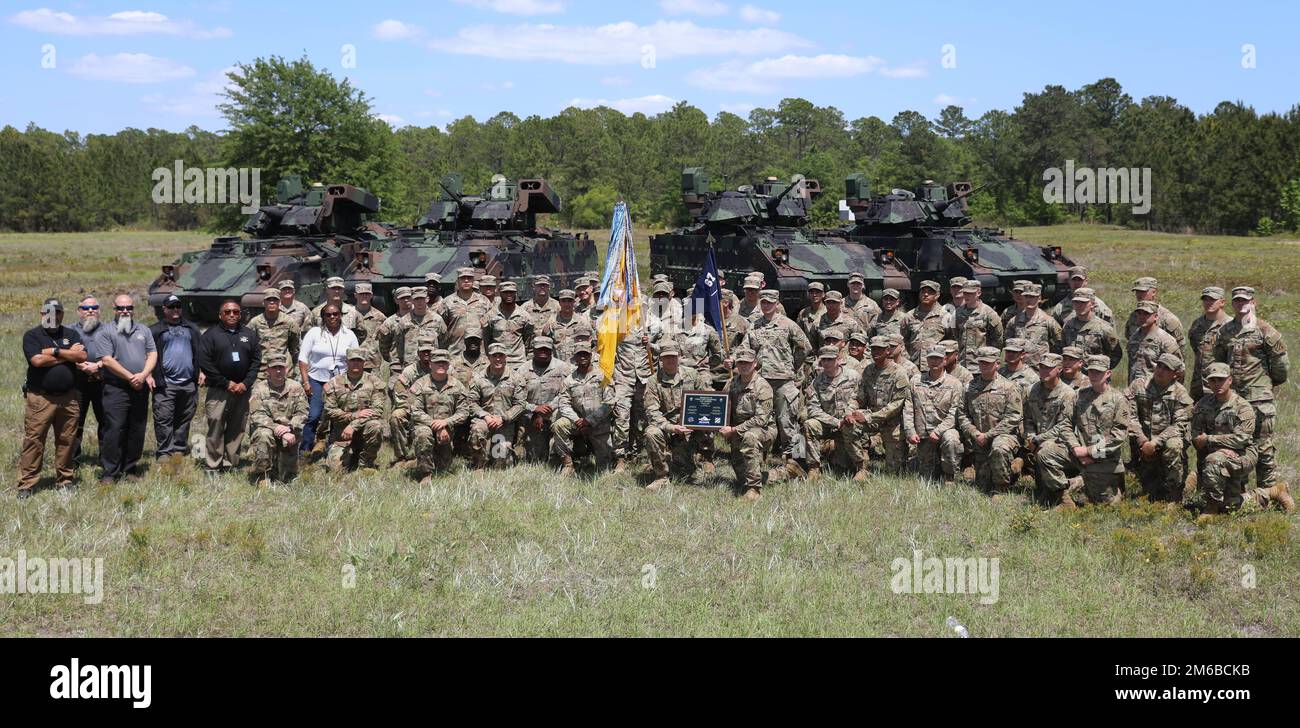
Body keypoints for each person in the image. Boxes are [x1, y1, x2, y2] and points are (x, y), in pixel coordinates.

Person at [1213, 285, 1290, 492]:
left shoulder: (1266, 331)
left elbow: (1281, 367)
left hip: (1259, 399)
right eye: (1237, 300)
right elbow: (1219, 362)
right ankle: (1238, 493)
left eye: (1245, 300)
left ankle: (1270, 492)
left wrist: (1265, 385)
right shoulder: (1225, 331)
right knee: (1236, 445)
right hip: (1233, 400)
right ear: (1232, 304)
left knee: (1263, 447)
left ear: (1253, 302)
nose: (1241, 304)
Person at [1191, 363, 1293, 513]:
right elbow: (1196, 436)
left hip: (1243, 455)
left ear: (1230, 380)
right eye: (1213, 380)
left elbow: (1241, 439)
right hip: (1217, 457)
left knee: (1214, 460)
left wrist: (1211, 440)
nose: (1217, 383)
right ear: (1208, 383)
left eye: (1221, 379)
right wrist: (1214, 446)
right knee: (1229, 506)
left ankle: (1211, 510)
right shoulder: (1203, 404)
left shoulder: (1242, 406)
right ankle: (1272, 492)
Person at [740, 288, 813, 481]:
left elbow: (805, 347)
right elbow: (744, 348)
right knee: (762, 421)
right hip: (761, 382)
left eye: (769, 303)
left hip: (783, 382)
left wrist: (792, 366)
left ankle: (798, 463)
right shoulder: (754, 326)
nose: (766, 306)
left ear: (777, 303)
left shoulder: (787, 324)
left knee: (788, 423)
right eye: (763, 302)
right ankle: (759, 460)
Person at [17, 299, 87, 498]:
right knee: (34, 440)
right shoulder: (32, 335)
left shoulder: (71, 334)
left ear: (62, 314)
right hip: (40, 398)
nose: (53, 316)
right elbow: (37, 361)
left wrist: (54, 351)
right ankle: (26, 484)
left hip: (68, 398)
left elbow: (81, 357)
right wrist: (68, 354)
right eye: (48, 312)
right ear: (42, 313)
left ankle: (65, 480)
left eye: (57, 312)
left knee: (67, 440)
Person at [95, 294, 157, 482]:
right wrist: (131, 377)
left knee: (136, 429)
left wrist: (143, 375)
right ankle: (110, 472)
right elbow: (106, 360)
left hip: (139, 387)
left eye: (129, 308)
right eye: (121, 308)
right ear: (113, 309)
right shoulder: (105, 332)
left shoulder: (143, 330)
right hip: (116, 388)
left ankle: (130, 469)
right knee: (114, 429)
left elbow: (152, 353)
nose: (125, 311)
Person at [197, 300, 261, 473]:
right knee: (216, 425)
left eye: (235, 312)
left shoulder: (249, 334)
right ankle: (213, 464)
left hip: (242, 390)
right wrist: (226, 383)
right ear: (220, 315)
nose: (232, 314)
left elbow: (256, 361)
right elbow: (204, 362)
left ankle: (231, 462)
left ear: (240, 314)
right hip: (219, 389)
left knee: (237, 427)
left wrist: (245, 383)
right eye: (227, 312)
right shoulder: (210, 335)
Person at [1125, 354, 1193, 503]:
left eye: (1166, 369)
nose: (1160, 370)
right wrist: (1143, 441)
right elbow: (1129, 415)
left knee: (1174, 445)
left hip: (1165, 444)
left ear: (1175, 375)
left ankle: (1174, 498)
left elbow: (1179, 424)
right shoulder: (1139, 385)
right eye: (1159, 365)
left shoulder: (1180, 393)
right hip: (1141, 443)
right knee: (1150, 492)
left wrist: (1155, 443)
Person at [1065, 355, 1132, 506]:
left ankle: (1083, 481)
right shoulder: (1079, 395)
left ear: (1108, 373)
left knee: (1105, 505)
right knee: (1048, 453)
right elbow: (1065, 424)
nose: (1094, 375)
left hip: (1105, 458)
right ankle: (1061, 497)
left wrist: (1089, 452)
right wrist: (1076, 448)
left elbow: (1118, 437)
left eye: (1098, 372)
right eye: (1091, 372)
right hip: (1077, 452)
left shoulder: (1118, 400)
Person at [957, 346, 1023, 493]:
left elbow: (1013, 417)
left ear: (997, 364)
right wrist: (975, 434)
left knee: (999, 448)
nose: (984, 366)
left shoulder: (1009, 387)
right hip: (979, 439)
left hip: (1004, 436)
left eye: (988, 362)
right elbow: (962, 414)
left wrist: (988, 435)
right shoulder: (969, 387)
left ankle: (1001, 489)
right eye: (981, 362)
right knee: (983, 485)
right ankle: (1011, 472)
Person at [642, 345, 708, 490]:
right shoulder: (653, 381)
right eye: (666, 357)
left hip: (689, 428)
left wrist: (696, 422)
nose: (670, 360)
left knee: (685, 472)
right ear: (661, 359)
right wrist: (670, 427)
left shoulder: (693, 375)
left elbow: (706, 400)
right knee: (651, 433)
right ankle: (661, 476)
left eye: (673, 356)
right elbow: (651, 411)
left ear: (679, 357)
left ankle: (702, 459)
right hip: (666, 427)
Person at [297, 302, 359, 456]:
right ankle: (305, 449)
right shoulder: (314, 333)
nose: (332, 317)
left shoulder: (349, 335)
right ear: (323, 317)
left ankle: (338, 447)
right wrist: (306, 382)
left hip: (341, 381)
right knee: (314, 415)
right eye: (328, 315)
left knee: (341, 414)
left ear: (341, 316)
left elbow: (356, 358)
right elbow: (303, 359)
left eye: (335, 314)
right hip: (317, 379)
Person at [149, 294, 202, 460]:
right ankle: (165, 452)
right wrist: (149, 375)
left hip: (188, 382)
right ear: (164, 309)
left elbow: (200, 352)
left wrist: (201, 371)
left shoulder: (192, 329)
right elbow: (148, 355)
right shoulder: (155, 330)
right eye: (171, 307)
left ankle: (179, 448)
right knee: (163, 418)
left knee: (184, 417)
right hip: (165, 383)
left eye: (178, 306)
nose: (175, 310)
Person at [849, 336, 913, 477]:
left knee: (895, 473)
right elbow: (858, 397)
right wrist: (851, 412)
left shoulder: (899, 373)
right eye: (873, 349)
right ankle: (861, 467)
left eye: (880, 349)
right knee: (849, 425)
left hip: (893, 422)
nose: (876, 351)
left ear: (888, 351)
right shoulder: (868, 370)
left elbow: (896, 405)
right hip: (871, 418)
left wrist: (869, 417)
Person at [1023, 352, 1078, 509]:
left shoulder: (1067, 394)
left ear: (1059, 369)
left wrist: (1038, 440)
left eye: (1049, 368)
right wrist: (1030, 437)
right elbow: (1027, 419)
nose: (1044, 371)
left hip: (1061, 443)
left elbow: (1063, 426)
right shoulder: (1031, 390)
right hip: (1036, 441)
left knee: (1045, 450)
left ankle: (1064, 498)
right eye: (1041, 367)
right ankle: (1048, 492)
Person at [409, 349, 472, 484]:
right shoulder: (420, 384)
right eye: (437, 363)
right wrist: (435, 424)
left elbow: (464, 412)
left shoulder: (457, 385)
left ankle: (437, 459)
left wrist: (446, 422)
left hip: (447, 427)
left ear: (449, 365)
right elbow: (415, 411)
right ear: (431, 364)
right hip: (424, 426)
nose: (441, 366)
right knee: (424, 436)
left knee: (443, 469)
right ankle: (425, 474)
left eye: (444, 363)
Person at [551, 343, 616, 475]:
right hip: (577, 422)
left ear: (591, 356)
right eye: (579, 354)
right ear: (575, 358)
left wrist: (590, 421)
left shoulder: (603, 375)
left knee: (604, 470)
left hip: (599, 424)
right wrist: (578, 421)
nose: (583, 357)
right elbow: (564, 404)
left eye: (585, 354)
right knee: (558, 425)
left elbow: (610, 403)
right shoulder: (568, 381)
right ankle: (568, 465)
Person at [903, 346, 964, 484]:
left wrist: (938, 431)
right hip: (923, 435)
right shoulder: (915, 381)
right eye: (931, 358)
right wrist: (910, 432)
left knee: (952, 440)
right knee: (927, 478)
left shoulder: (955, 384)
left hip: (944, 431)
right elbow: (908, 409)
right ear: (927, 360)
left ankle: (950, 477)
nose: (934, 361)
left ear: (945, 360)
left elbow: (955, 412)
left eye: (938, 358)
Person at [720, 348, 774, 500]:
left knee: (750, 437)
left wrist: (734, 430)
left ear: (755, 363)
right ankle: (785, 472)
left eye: (747, 363)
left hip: (763, 430)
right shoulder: (732, 382)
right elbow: (721, 405)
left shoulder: (762, 386)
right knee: (742, 478)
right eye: (741, 362)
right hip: (738, 430)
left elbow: (761, 420)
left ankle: (754, 490)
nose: (743, 366)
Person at [805, 345, 866, 480]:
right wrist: (834, 422)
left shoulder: (853, 377)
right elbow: (813, 408)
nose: (826, 363)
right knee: (809, 425)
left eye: (830, 359)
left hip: (849, 422)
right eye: (823, 360)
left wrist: (848, 414)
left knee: (843, 467)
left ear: (838, 360)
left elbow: (859, 399)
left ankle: (861, 467)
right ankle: (814, 468)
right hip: (829, 424)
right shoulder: (817, 382)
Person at [322, 348, 387, 473]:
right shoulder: (333, 383)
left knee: (375, 425)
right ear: (347, 362)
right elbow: (329, 410)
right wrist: (353, 415)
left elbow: (377, 410)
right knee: (334, 470)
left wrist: (354, 424)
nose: (356, 363)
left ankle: (366, 463)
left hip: (364, 430)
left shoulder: (374, 382)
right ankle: (350, 454)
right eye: (353, 360)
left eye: (359, 360)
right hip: (341, 434)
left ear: (364, 363)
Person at [247, 356, 307, 486]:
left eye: (281, 367)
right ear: (268, 370)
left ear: (285, 369)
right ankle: (262, 474)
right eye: (274, 368)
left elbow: (303, 412)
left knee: (286, 478)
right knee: (264, 435)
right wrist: (276, 428)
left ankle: (285, 470)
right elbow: (257, 414)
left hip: (290, 431)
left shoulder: (296, 387)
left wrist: (289, 428)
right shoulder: (259, 388)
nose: (278, 371)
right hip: (267, 429)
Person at [516, 336, 572, 464]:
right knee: (534, 459)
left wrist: (549, 408)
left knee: (555, 457)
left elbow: (567, 393)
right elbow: (517, 399)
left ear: (551, 350)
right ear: (533, 351)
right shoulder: (523, 370)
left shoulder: (563, 367)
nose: (543, 353)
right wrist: (534, 409)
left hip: (555, 412)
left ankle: (564, 457)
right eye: (539, 350)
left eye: (546, 350)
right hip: (531, 415)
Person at [469, 343, 524, 470]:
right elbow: (472, 402)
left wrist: (503, 418)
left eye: (501, 355)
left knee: (500, 464)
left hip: (505, 423)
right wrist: (486, 416)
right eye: (494, 355)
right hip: (485, 421)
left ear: (506, 357)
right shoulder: (478, 377)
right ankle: (479, 466)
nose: (498, 359)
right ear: (489, 357)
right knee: (477, 431)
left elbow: (520, 404)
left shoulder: (516, 378)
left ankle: (497, 456)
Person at [69, 295, 107, 464]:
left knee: (106, 422)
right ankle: (73, 461)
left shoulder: (109, 330)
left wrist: (97, 365)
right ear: (79, 311)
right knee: (75, 422)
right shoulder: (69, 331)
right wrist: (80, 364)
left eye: (94, 307)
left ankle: (106, 459)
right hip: (77, 384)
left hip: (103, 382)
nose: (90, 310)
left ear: (99, 310)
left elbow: (116, 354)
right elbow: (64, 353)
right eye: (86, 308)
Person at [1187, 286, 1230, 402]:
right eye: (1205, 299)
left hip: (1219, 385)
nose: (1208, 303)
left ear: (1222, 302)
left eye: (1212, 299)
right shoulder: (1197, 324)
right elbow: (1195, 348)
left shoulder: (1230, 326)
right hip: (1198, 385)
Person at [248, 288, 300, 382]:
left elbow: (295, 344)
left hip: (284, 369)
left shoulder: (289, 322)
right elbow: (248, 343)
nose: (272, 302)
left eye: (275, 300)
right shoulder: (255, 322)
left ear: (280, 302)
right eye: (269, 300)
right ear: (264, 303)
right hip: (262, 371)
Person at [1061, 288, 1122, 370]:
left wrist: (1102, 370)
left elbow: (1116, 354)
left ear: (1092, 304)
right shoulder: (1068, 326)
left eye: (1083, 302)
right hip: (1072, 376)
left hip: (1095, 377)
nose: (1079, 305)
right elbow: (1062, 349)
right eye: (1076, 302)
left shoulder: (1104, 328)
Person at [439, 267, 493, 356]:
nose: (466, 280)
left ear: (473, 280)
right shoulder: (447, 302)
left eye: (469, 278)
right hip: (455, 353)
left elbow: (491, 327)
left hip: (480, 355)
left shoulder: (484, 301)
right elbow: (441, 329)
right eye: (463, 278)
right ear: (458, 280)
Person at [1003, 283, 1061, 366]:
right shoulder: (1014, 321)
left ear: (1039, 298)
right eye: (1026, 296)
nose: (1029, 300)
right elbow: (1007, 342)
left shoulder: (1048, 321)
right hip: (1019, 367)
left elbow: (1059, 342)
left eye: (1032, 297)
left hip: (1040, 368)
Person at [1127, 301, 1182, 385]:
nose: (1142, 317)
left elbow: (1179, 369)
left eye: (1146, 314)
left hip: (1156, 391)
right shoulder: (1133, 338)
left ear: (1156, 317)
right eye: (1139, 313)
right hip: (1134, 389)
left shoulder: (1166, 340)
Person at [1124, 276, 1185, 351]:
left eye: (1143, 291)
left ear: (1154, 292)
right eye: (1137, 291)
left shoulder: (1169, 319)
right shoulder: (1134, 316)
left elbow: (1180, 349)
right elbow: (1129, 338)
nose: (1139, 295)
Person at [955, 279, 1003, 372]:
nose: (967, 296)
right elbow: (957, 335)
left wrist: (990, 358)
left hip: (981, 365)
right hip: (962, 364)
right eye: (965, 293)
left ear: (978, 293)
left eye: (970, 293)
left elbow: (998, 339)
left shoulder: (989, 313)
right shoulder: (958, 312)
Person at [902, 280, 953, 363]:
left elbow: (952, 341)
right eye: (923, 292)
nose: (926, 295)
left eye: (930, 292)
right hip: (913, 364)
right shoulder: (910, 316)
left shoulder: (946, 317)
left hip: (936, 365)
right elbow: (903, 340)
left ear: (937, 295)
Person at [485, 281, 534, 367]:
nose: (509, 295)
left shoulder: (524, 316)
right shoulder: (491, 315)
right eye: (505, 292)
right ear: (500, 293)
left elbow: (528, 341)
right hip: (497, 362)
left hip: (518, 363)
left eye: (511, 292)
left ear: (516, 294)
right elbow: (487, 339)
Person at [541, 289, 596, 364]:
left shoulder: (582, 322)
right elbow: (545, 343)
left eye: (569, 301)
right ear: (559, 302)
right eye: (564, 301)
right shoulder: (552, 322)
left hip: (578, 367)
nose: (567, 304)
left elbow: (593, 343)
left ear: (574, 302)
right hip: (558, 366)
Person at [349, 282, 387, 371]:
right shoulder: (348, 315)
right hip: (353, 360)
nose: (364, 296)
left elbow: (385, 339)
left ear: (371, 296)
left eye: (367, 294)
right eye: (361, 294)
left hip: (373, 362)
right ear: (355, 295)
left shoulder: (380, 317)